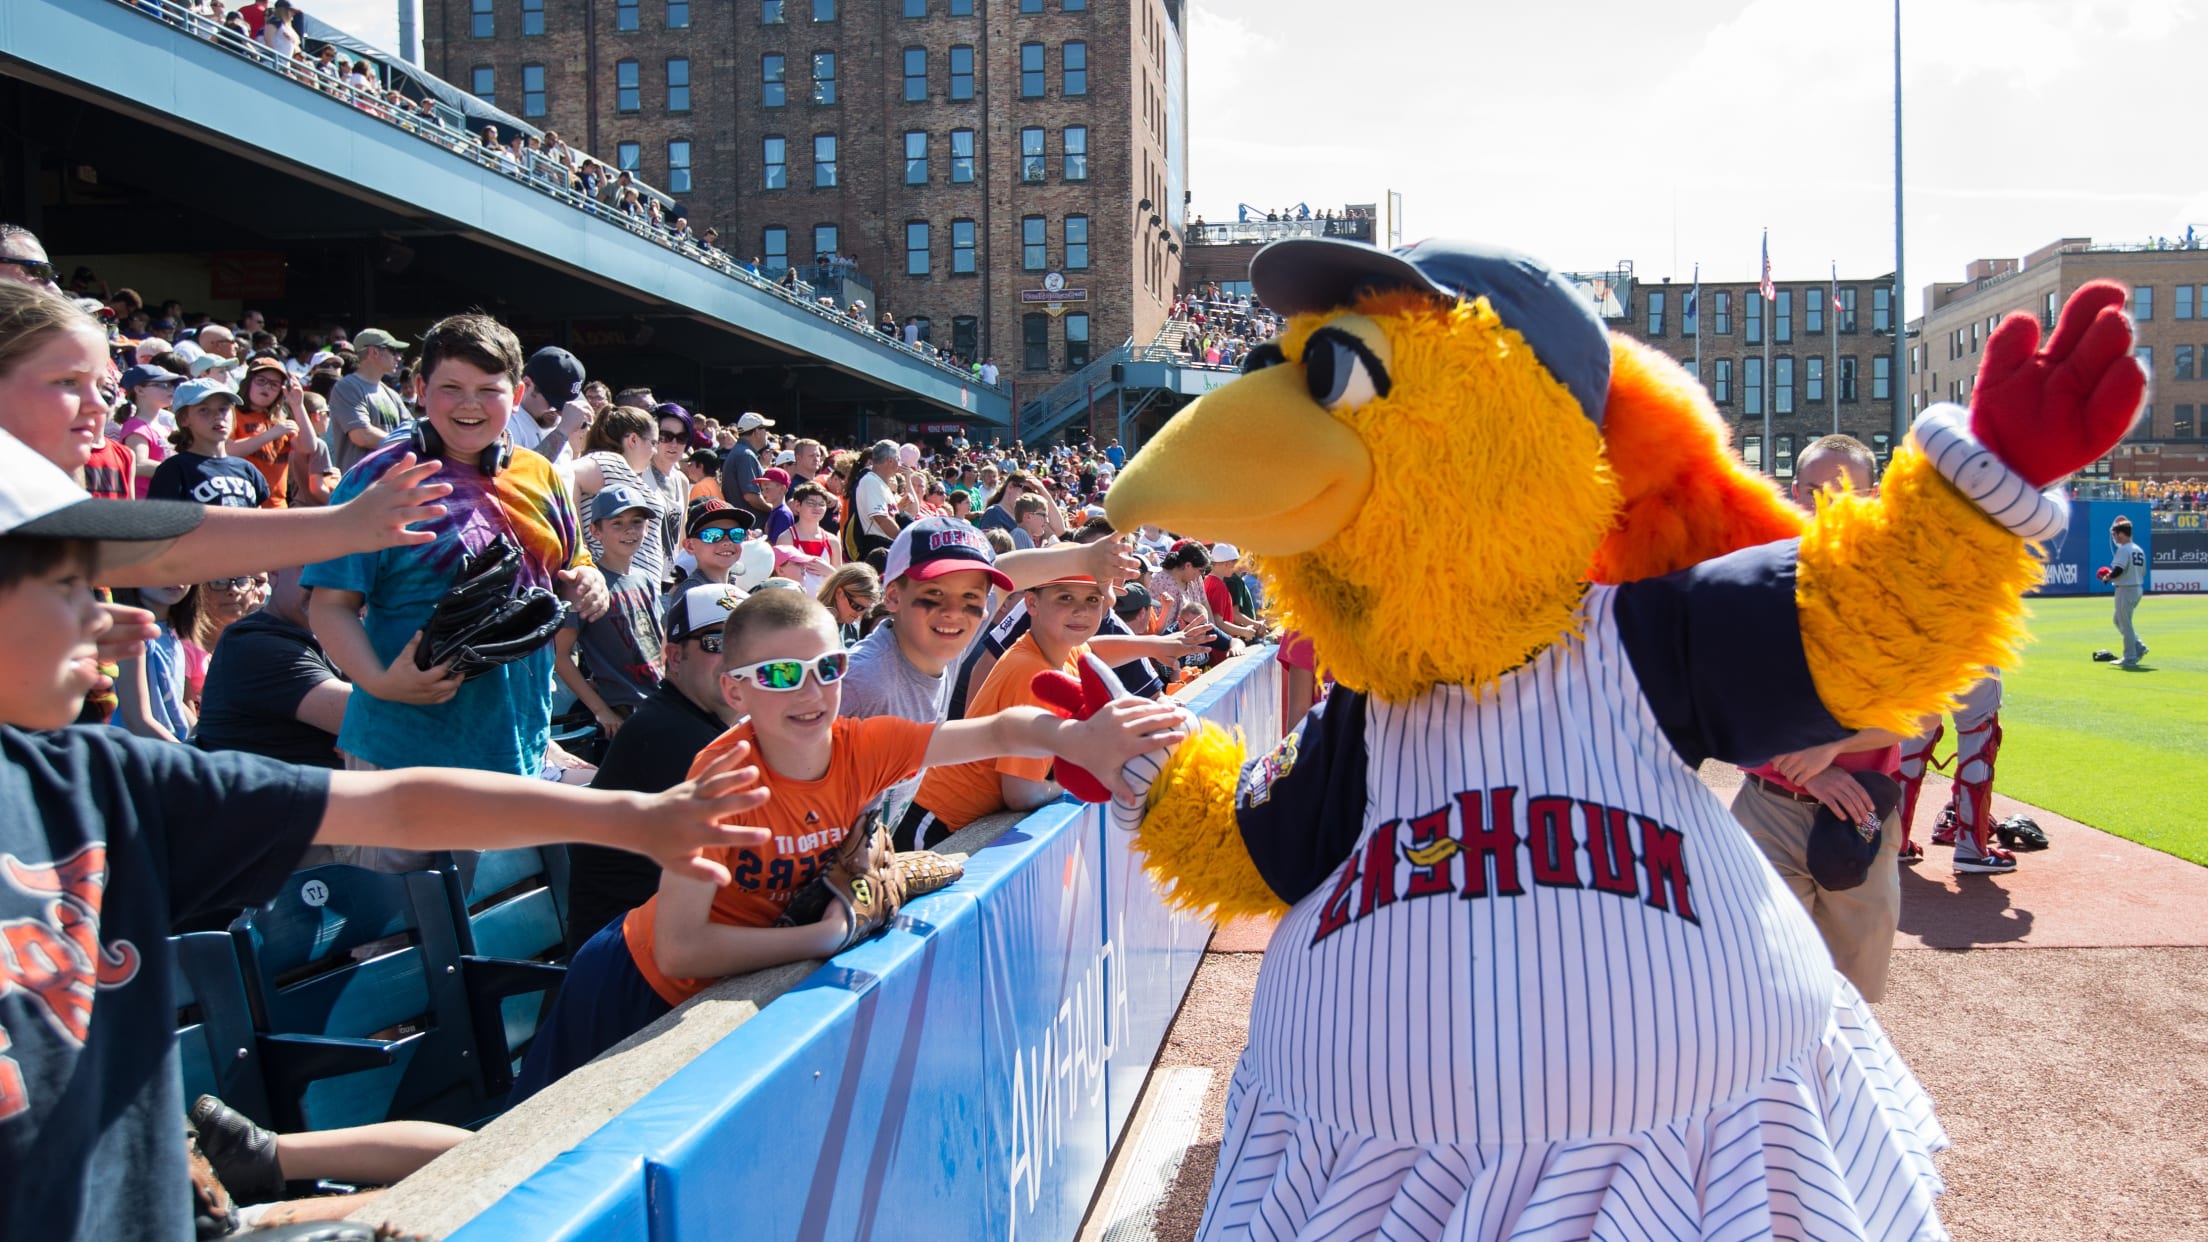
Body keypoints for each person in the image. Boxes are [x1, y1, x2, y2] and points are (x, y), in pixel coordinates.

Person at [0, 445, 773, 1241]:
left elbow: (398, 806)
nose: (110, 615)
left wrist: (631, 818)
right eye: (67, 586)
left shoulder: (99, 774)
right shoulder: (176, 714)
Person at [507, 588, 1188, 1101]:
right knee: (523, 1178)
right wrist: (827, 936)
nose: (810, 692)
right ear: (734, 689)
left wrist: (1073, 738)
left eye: (828, 667)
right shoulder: (723, 775)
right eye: (779, 676)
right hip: (636, 985)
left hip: (729, 987)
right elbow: (680, 947)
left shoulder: (861, 746)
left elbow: (995, 732)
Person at [304, 312, 610, 786]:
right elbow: (329, 606)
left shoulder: (542, 473)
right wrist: (379, 681)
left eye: (489, 389)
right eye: (451, 388)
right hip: (404, 755)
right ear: (421, 391)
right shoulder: (377, 479)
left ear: (518, 394)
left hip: (517, 745)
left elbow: (572, 563)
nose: (471, 405)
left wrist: (589, 580)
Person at [1728, 435, 1909, 1000]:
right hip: (1768, 810)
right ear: (1794, 492)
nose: (1823, 506)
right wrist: (1810, 769)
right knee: (1764, 990)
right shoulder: (1757, 578)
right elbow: (1726, 701)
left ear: (1872, 495)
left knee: (1853, 999)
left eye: (1841, 492)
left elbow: (1923, 709)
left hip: (1858, 818)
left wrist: (1830, 749)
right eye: (1812, 492)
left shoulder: (1900, 590)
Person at [567, 582, 745, 950]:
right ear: (675, 657)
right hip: (626, 962)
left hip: (668, 943)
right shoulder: (669, 734)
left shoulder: (703, 725)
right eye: (719, 644)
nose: (739, 660)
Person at [193, 563, 348, 767]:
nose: (328, 582)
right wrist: (363, 740)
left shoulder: (336, 641)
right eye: (309, 567)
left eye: (343, 570)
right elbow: (369, 717)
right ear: (274, 573)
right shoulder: (253, 644)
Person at [552, 487, 668, 739]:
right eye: (617, 523)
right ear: (595, 531)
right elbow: (559, 656)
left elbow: (659, 641)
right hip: (626, 708)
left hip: (661, 697)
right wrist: (601, 710)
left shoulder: (644, 578)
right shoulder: (586, 584)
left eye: (637, 522)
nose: (629, 530)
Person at [569, 405, 666, 587]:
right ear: (633, 440)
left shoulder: (618, 468)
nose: (655, 451)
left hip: (634, 588)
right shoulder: (611, 462)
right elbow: (568, 473)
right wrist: (578, 543)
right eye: (652, 443)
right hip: (615, 589)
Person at [149, 379, 270, 509]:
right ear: (184, 419)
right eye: (204, 410)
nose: (217, 416)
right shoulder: (174, 469)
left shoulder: (247, 470)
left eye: (223, 409)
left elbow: (258, 520)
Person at [232, 357, 319, 508]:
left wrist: (297, 406)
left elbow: (309, 446)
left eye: (274, 385)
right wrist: (270, 434)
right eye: (261, 381)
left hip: (277, 506)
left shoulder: (279, 421)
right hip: (244, 505)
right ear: (249, 383)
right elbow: (228, 450)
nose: (266, 387)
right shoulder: (232, 413)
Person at [325, 327, 410, 473]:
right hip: (359, 488)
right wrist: (407, 443)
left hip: (392, 487)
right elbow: (361, 435)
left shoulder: (392, 395)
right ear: (373, 352)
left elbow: (409, 430)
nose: (399, 357)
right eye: (393, 351)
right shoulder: (346, 387)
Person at [670, 497, 757, 596]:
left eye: (736, 534)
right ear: (690, 546)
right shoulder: (694, 593)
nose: (727, 541)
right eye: (712, 535)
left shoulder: (730, 588)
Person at [115, 364, 178, 498]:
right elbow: (139, 464)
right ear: (139, 390)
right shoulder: (135, 426)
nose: (171, 389)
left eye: (172, 384)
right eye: (163, 385)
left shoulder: (165, 427)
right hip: (148, 504)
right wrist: (181, 470)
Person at [2095, 515, 2148, 667]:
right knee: (2118, 620)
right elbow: (2142, 572)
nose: (2114, 537)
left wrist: (2107, 577)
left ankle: (2130, 657)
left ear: (2121, 533)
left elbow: (2118, 570)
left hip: (2126, 589)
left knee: (2125, 623)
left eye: (2115, 534)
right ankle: (2139, 646)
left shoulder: (2124, 549)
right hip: (2136, 587)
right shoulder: (2138, 549)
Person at [776, 481, 842, 595]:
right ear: (797, 505)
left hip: (823, 606)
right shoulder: (787, 538)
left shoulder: (832, 541)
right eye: (811, 503)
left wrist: (829, 571)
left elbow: (841, 580)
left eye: (821, 504)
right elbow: (779, 579)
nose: (817, 508)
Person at [718, 411, 774, 521]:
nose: (766, 433)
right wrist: (773, 509)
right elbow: (750, 496)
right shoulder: (745, 455)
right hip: (750, 526)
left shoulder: (742, 452)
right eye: (765, 429)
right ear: (757, 431)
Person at [817, 562, 879, 646]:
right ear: (839, 593)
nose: (860, 614)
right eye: (857, 606)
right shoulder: (815, 625)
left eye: (866, 609)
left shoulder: (854, 628)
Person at [759, 466, 795, 544]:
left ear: (782, 489)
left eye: (767, 488)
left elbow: (778, 546)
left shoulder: (783, 514)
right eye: (762, 489)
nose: (763, 493)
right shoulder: (776, 511)